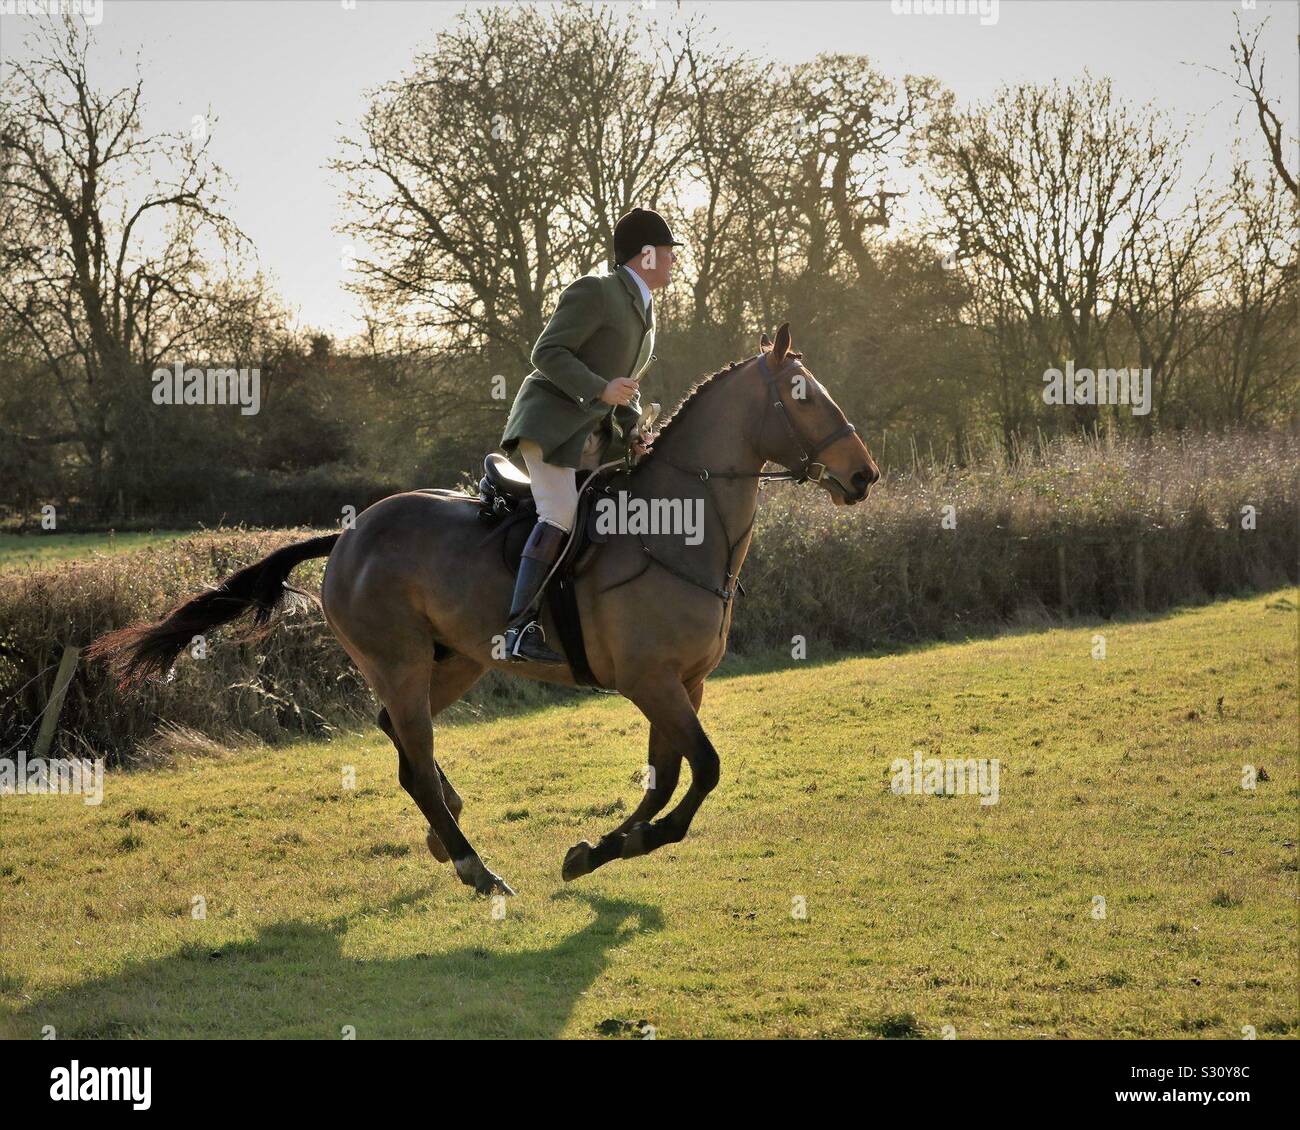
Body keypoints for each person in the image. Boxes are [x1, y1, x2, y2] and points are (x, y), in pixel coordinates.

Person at [497, 207, 681, 663]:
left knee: (621, 511)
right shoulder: (596, 291)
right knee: (559, 512)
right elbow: (547, 351)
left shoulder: (646, 312)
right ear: (646, 255)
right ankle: (518, 629)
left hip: (593, 432)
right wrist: (600, 388)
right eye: (669, 252)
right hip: (551, 423)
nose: (674, 261)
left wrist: (634, 429)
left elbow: (625, 387)